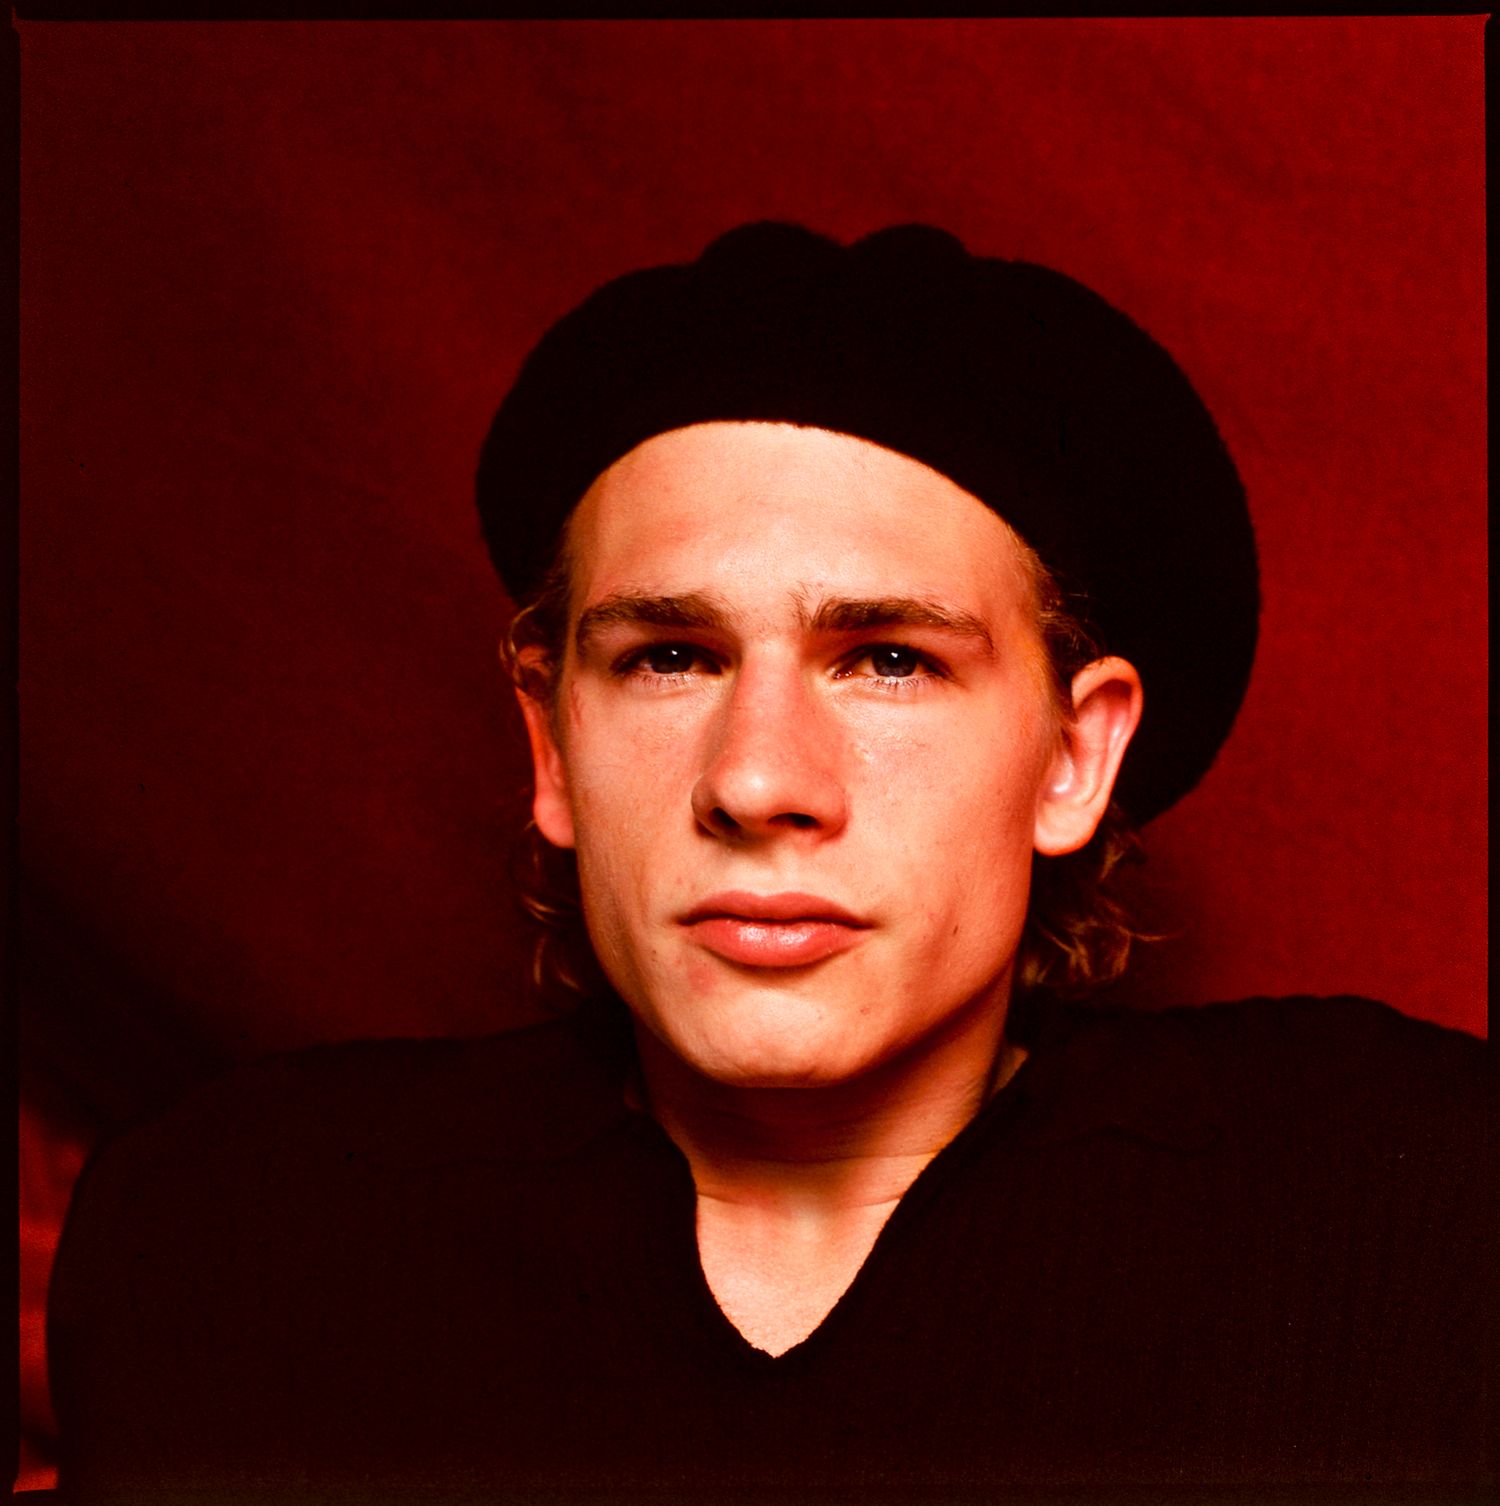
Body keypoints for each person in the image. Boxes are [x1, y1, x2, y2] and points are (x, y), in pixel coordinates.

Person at [46, 224, 1489, 1503]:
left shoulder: (1407, 1217)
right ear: (552, 745)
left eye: (890, 660)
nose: (756, 781)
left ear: (1074, 755)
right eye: (669, 658)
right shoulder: (233, 1241)